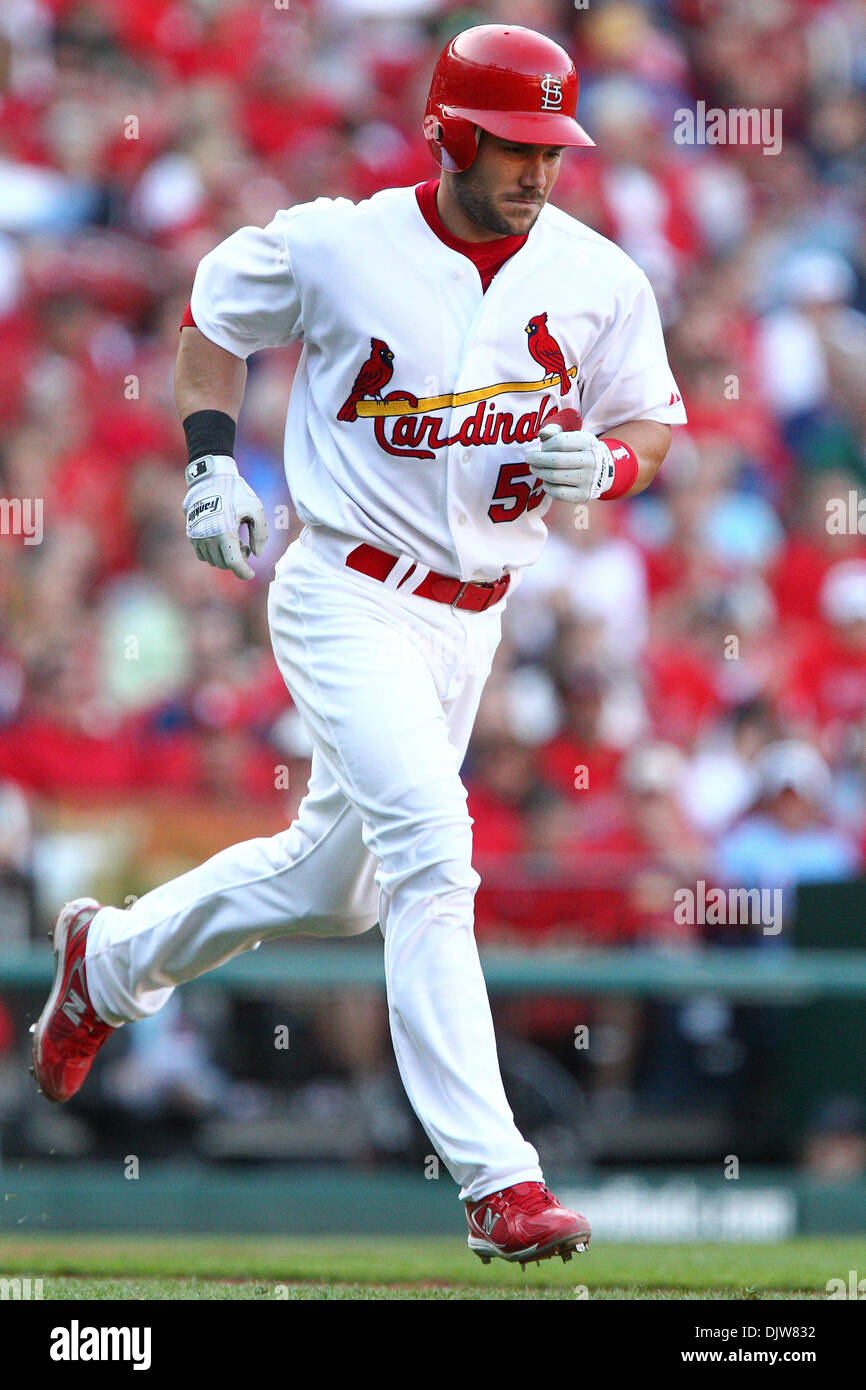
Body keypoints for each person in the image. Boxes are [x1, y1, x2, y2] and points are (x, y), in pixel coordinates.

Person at [31, 24, 685, 1266]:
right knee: (433, 853)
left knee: (330, 887)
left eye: (551, 146)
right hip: (346, 590)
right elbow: (213, 316)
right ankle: (498, 1180)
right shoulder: (342, 243)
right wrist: (211, 461)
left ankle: (106, 961)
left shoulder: (596, 273)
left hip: (473, 620)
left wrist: (607, 464)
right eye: (513, 143)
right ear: (449, 133)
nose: (537, 168)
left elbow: (652, 423)